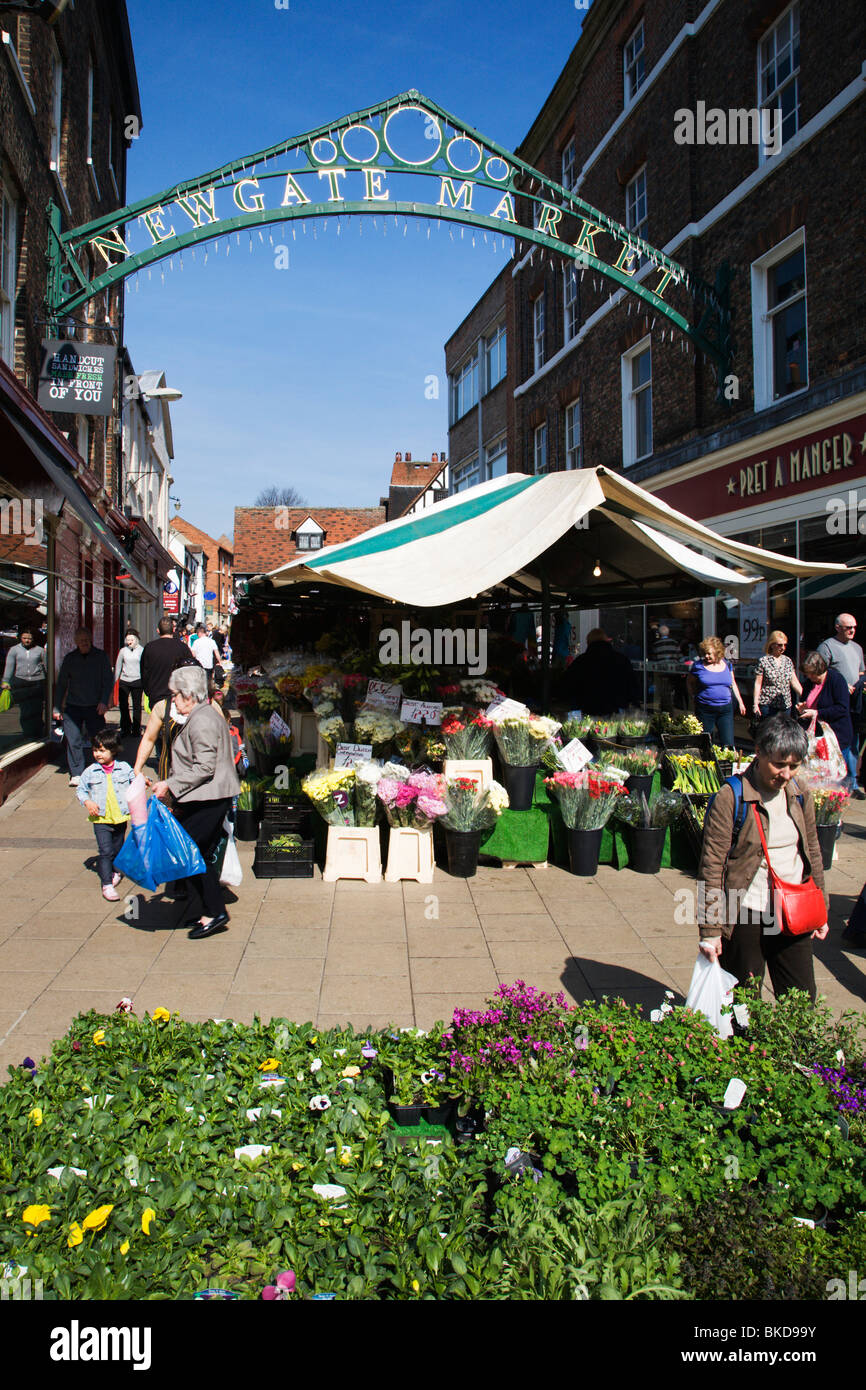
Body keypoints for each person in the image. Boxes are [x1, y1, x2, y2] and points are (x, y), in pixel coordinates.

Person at [697, 715, 828, 1002]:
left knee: (801, 997)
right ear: (759, 752)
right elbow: (712, 866)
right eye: (779, 764)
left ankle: (797, 1048)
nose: (786, 774)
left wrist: (822, 907)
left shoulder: (798, 792)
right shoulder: (731, 797)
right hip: (748, 910)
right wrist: (710, 930)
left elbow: (813, 849)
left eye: (794, 765)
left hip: (794, 907)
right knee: (743, 1001)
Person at [149, 665, 240, 939]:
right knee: (194, 853)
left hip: (210, 798)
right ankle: (203, 909)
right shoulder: (203, 715)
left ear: (189, 694)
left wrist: (169, 784)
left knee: (190, 853)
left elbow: (204, 767)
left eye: (176, 694)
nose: (173, 700)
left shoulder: (202, 720)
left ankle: (215, 911)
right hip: (205, 797)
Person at [76, 727, 135, 902]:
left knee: (117, 848)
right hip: (100, 818)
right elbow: (81, 790)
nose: (98, 754)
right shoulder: (90, 771)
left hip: (120, 817)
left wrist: (144, 782)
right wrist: (87, 802)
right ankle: (106, 883)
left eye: (102, 750)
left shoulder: (124, 768)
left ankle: (116, 870)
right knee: (105, 851)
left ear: (114, 750)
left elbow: (135, 781)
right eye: (95, 750)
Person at [53, 628, 113, 786]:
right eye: (81, 641)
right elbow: (61, 684)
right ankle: (77, 773)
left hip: (95, 706)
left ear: (91, 639)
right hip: (73, 706)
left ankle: (103, 768)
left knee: (99, 740)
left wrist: (104, 701)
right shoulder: (70, 659)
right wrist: (57, 707)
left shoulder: (101, 657)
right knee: (73, 740)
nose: (84, 643)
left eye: (86, 639)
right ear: (76, 642)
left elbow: (107, 681)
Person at [817, 614, 865, 794]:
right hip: (837, 701)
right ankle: (840, 780)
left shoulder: (857, 648)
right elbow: (819, 673)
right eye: (848, 627)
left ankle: (852, 782)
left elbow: (860, 672)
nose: (852, 630)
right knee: (838, 742)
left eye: (854, 627)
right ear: (838, 627)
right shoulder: (827, 646)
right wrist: (842, 685)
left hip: (856, 701)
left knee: (854, 741)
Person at [797, 652, 854, 782]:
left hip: (836, 736)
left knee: (835, 776)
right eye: (808, 674)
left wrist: (817, 713)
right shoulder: (808, 683)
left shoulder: (836, 680)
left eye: (812, 673)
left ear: (820, 669)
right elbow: (806, 701)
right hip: (816, 738)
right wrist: (802, 709)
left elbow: (842, 708)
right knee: (817, 776)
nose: (810, 677)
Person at [562, 627, 641, 714]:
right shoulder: (621, 660)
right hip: (616, 710)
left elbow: (567, 686)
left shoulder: (581, 661)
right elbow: (632, 686)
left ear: (588, 642)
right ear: (606, 640)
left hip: (588, 710)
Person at [687, 636, 746, 747]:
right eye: (704, 653)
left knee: (728, 743)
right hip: (705, 708)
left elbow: (733, 683)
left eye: (709, 653)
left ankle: (726, 762)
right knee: (704, 741)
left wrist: (740, 702)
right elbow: (690, 682)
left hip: (725, 709)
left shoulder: (727, 664)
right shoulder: (698, 666)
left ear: (717, 652)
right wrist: (693, 696)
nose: (706, 656)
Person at [2, 626, 47, 741]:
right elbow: (10, 666)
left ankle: (38, 731)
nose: (27, 641)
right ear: (20, 638)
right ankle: (28, 733)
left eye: (29, 638)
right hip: (21, 682)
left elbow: (47, 666)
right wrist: (5, 681)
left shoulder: (40, 650)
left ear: (33, 639)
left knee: (36, 708)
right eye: (24, 638)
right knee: (25, 709)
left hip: (37, 681)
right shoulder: (14, 650)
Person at [139, 617, 195, 708]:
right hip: (177, 695)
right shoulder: (182, 647)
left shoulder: (149, 648)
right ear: (173, 629)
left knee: (157, 720)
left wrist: (148, 691)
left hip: (156, 694)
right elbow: (191, 670)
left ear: (158, 630)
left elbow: (144, 672)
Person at [752, 630, 802, 721]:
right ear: (772, 644)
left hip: (785, 704)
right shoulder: (763, 661)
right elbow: (758, 684)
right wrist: (755, 704)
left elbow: (794, 682)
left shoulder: (788, 661)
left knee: (785, 733)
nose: (783, 648)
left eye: (785, 645)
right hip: (768, 705)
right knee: (769, 733)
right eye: (779, 645)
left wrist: (806, 697)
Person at [114, 629, 144, 737]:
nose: (129, 642)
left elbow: (145, 667)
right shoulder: (123, 651)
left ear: (136, 639)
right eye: (127, 640)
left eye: (131, 639)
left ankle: (136, 728)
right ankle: (125, 727)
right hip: (124, 681)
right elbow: (118, 666)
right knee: (123, 706)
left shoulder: (141, 650)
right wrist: (114, 680)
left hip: (137, 680)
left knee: (137, 706)